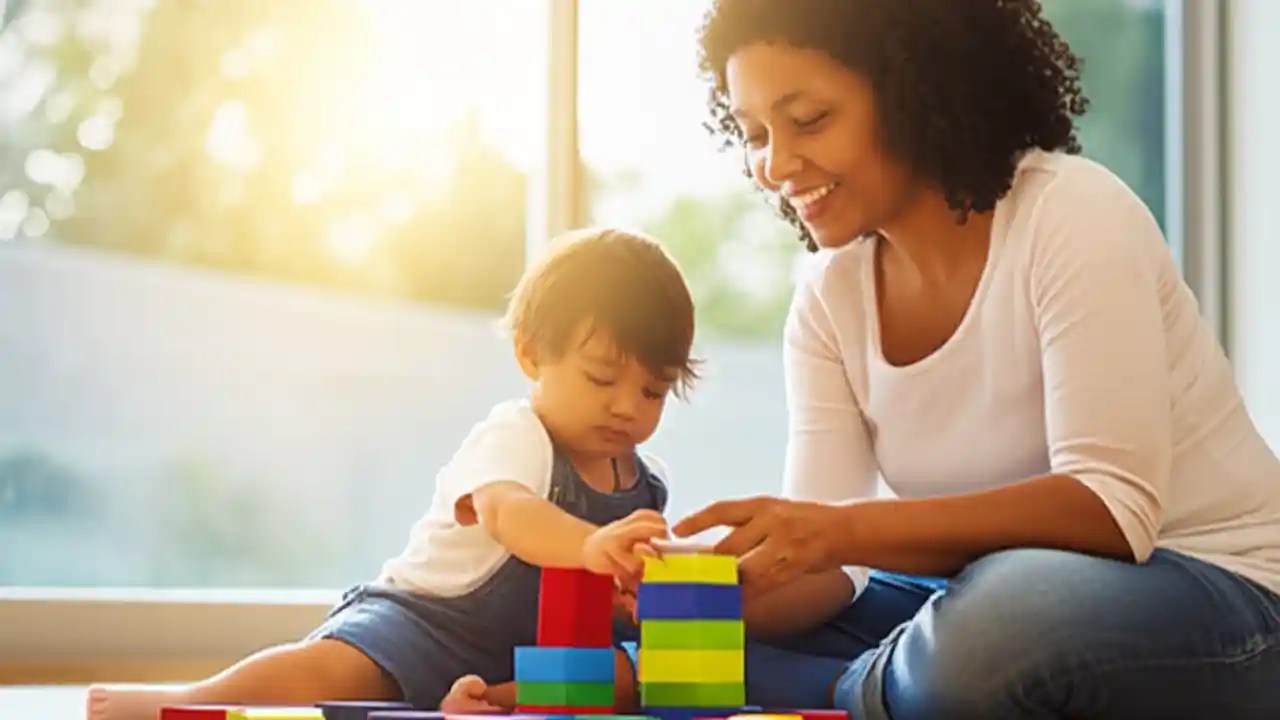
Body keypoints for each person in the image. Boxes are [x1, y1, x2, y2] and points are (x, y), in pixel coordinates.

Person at [670, 1, 1280, 718]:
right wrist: (686, 592)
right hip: (982, 591)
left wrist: (833, 529)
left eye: (807, 121)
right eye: (754, 134)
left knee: (995, 632)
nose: (774, 165)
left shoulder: (1071, 214)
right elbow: (829, 570)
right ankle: (863, 684)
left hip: (1222, 596)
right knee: (704, 630)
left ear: (912, 90)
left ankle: (828, 692)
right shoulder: (829, 301)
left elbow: (1115, 510)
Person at [86, 227, 699, 720]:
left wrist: (636, 601)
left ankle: (486, 703)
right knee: (333, 673)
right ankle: (186, 702)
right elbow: (509, 515)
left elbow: (602, 602)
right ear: (532, 354)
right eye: (601, 378)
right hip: (425, 621)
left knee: (627, 675)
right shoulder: (516, 435)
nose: (626, 405)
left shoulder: (644, 482)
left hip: (525, 653)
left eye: (653, 389)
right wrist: (592, 546)